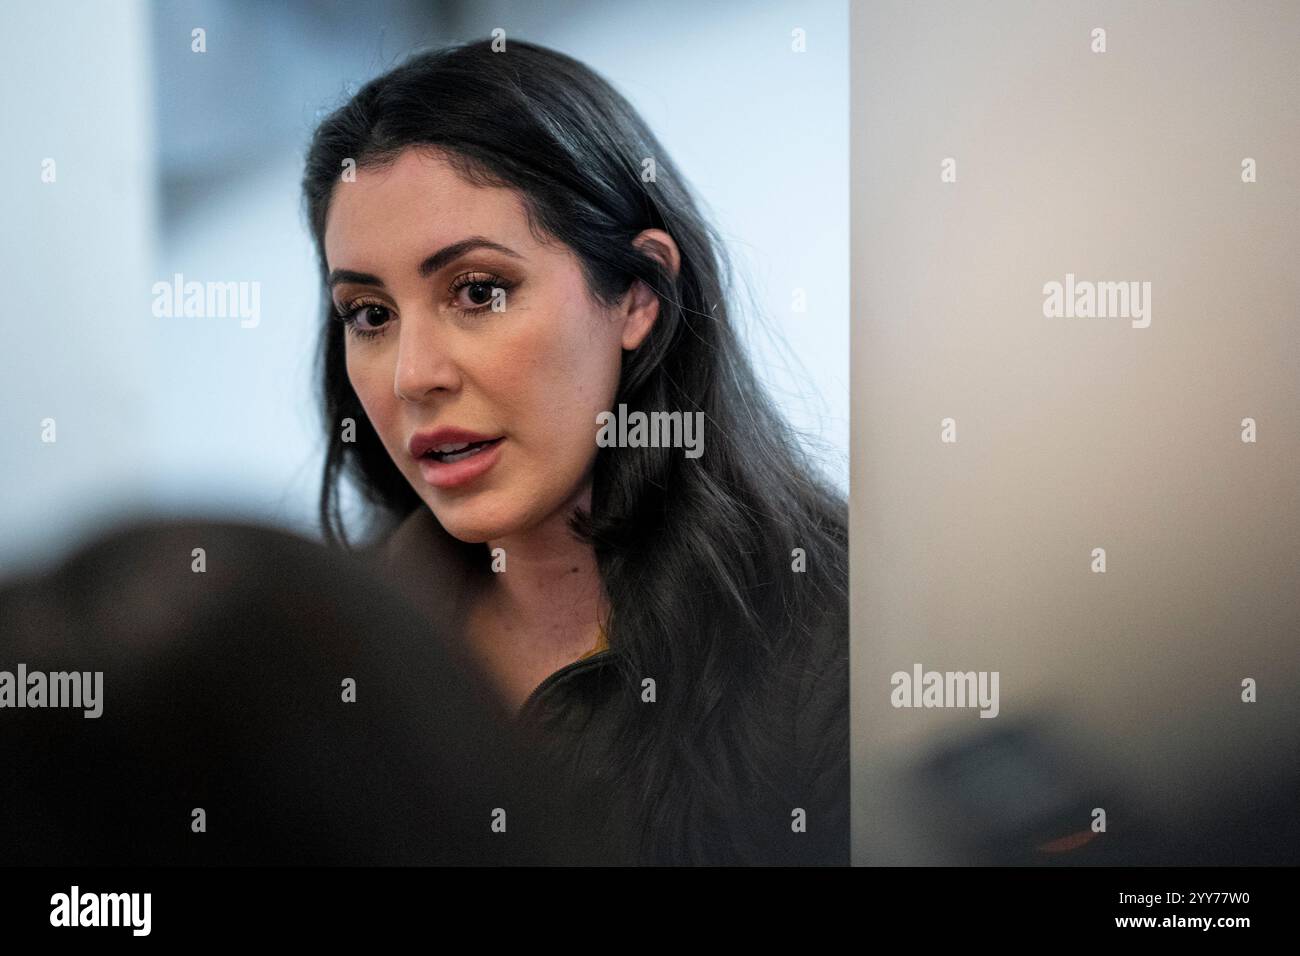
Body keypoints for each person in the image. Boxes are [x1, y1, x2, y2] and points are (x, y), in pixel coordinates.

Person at [302, 38, 849, 865]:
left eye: (478, 292)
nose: (414, 377)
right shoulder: (329, 640)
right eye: (370, 314)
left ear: (637, 295)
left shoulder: (840, 645)